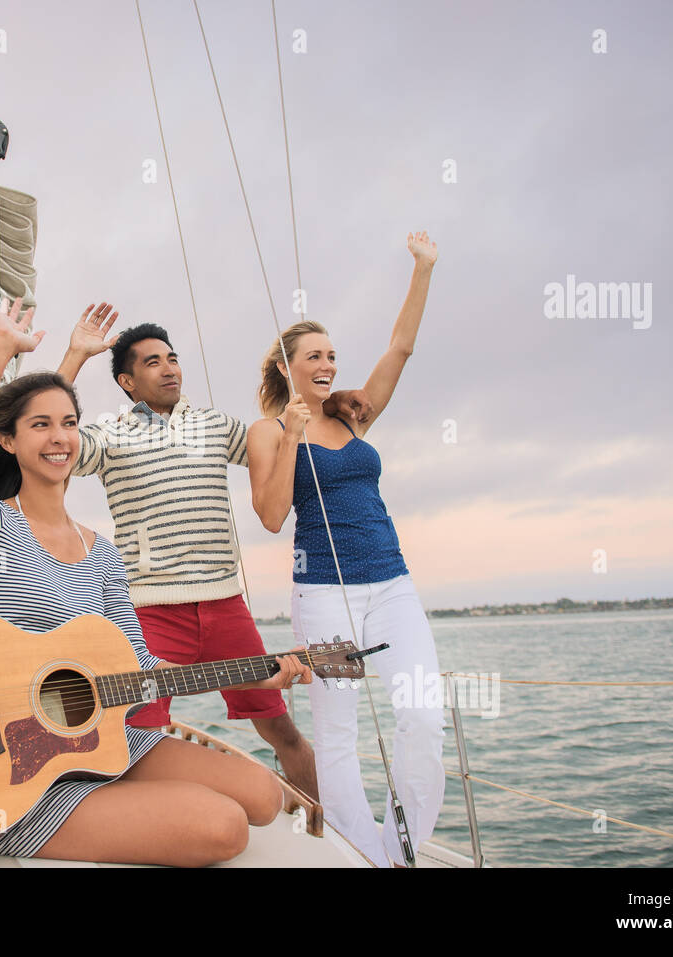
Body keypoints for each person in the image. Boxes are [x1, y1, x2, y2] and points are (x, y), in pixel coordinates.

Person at [0, 295, 313, 866]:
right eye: (40, 425)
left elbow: (140, 666)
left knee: (263, 796)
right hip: (12, 760)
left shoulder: (101, 554)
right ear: (8, 440)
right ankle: (16, 822)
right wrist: (2, 345)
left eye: (69, 424)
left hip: (91, 738)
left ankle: (109, 797)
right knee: (224, 828)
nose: (60, 437)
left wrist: (261, 673)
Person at [57, 310, 373, 801]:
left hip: (226, 606)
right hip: (149, 613)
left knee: (283, 732)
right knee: (141, 740)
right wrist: (76, 355)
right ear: (127, 380)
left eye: (173, 359)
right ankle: (152, 832)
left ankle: (332, 835)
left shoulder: (215, 425)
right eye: (153, 363)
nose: (169, 369)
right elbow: (49, 436)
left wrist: (332, 403)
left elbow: (285, 442)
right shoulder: (109, 436)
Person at [247, 231, 443, 868]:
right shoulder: (268, 431)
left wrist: (423, 267)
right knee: (337, 736)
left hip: (391, 585)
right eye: (313, 355)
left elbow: (403, 349)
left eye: (331, 353)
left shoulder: (355, 415)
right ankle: (367, 856)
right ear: (286, 366)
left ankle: (400, 849)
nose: (327, 363)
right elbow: (272, 515)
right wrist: (293, 438)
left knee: (422, 720)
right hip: (324, 594)